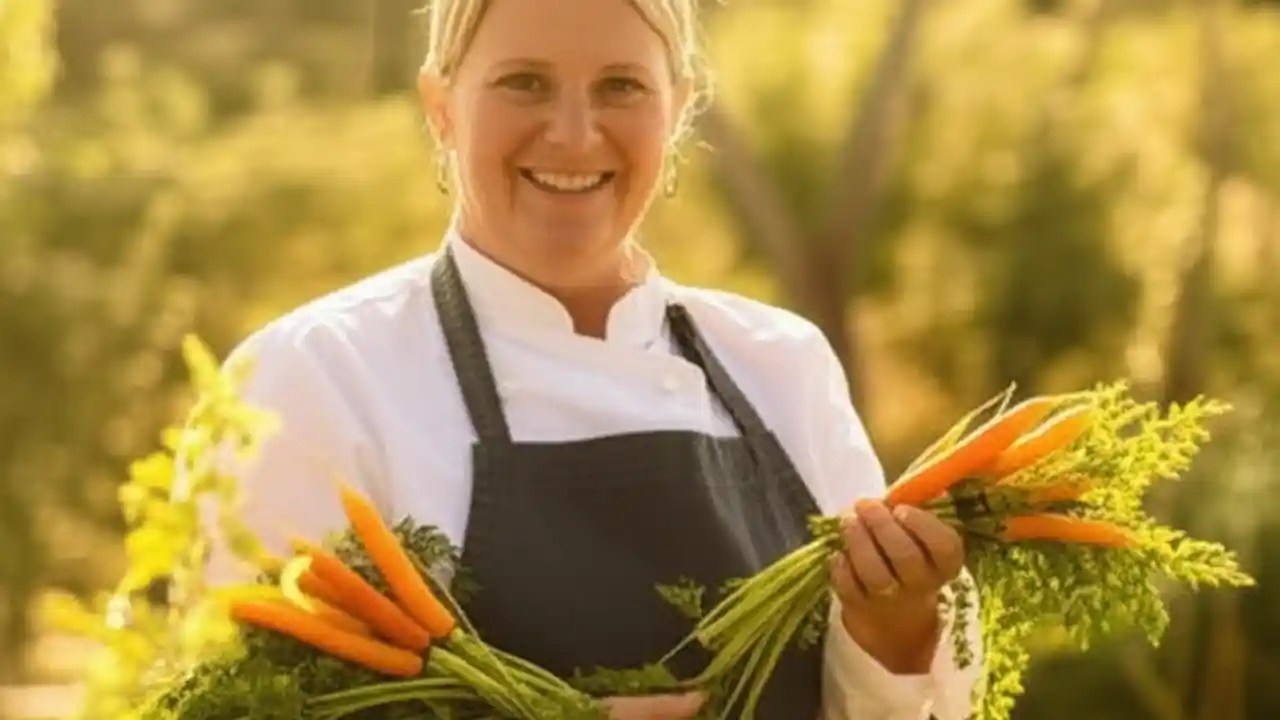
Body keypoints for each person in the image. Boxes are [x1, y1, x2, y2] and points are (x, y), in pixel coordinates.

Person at [206, 0, 984, 717]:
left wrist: (897, 629)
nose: (575, 135)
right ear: (441, 108)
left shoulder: (783, 366)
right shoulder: (315, 379)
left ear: (678, 108)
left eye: (621, 86)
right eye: (524, 83)